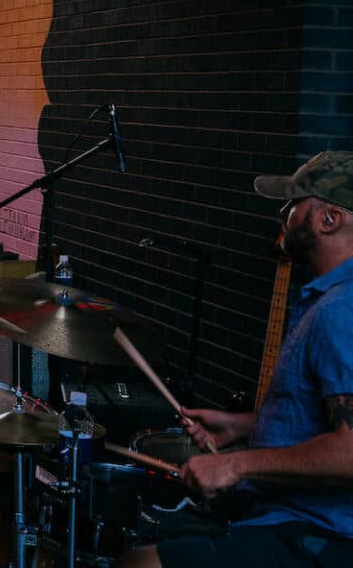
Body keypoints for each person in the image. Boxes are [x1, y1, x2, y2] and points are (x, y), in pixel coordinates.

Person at [116, 152, 353, 568]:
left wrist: (236, 465)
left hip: (318, 534)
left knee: (137, 565)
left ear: (328, 219)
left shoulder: (341, 309)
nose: (284, 216)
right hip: (294, 520)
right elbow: (323, 416)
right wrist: (243, 426)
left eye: (292, 205)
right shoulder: (330, 299)